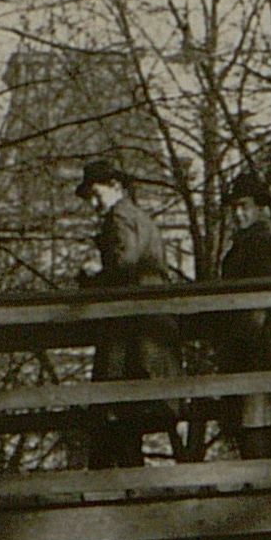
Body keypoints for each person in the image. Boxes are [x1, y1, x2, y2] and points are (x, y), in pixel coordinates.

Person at [75, 156, 182, 468]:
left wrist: (93, 273)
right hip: (148, 335)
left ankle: (114, 492)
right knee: (126, 419)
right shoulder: (140, 217)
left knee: (114, 415)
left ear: (115, 187)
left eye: (96, 195)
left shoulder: (119, 217)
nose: (94, 204)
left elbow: (124, 268)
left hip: (132, 335)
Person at [214, 171, 271, 458]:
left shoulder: (261, 244)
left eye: (243, 206)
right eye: (234, 208)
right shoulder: (245, 245)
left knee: (256, 423)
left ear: (259, 207)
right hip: (248, 348)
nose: (238, 214)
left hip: (258, 349)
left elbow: (262, 303)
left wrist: (240, 337)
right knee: (250, 426)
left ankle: (266, 494)